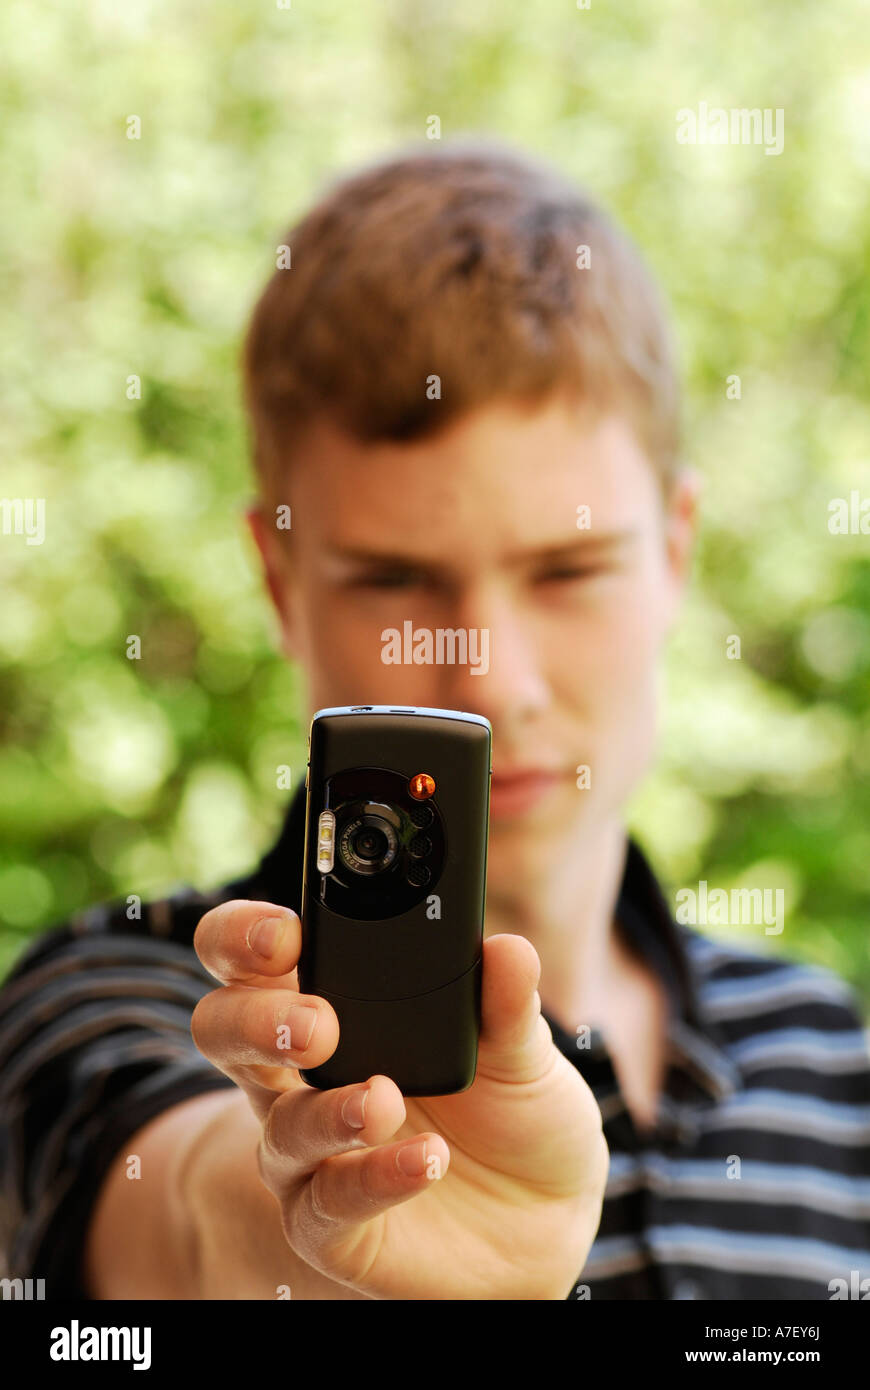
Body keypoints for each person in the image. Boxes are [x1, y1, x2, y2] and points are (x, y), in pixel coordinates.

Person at [1, 139, 868, 1301]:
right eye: (394, 580)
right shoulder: (117, 996)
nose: (490, 679)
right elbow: (195, 1223)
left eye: (567, 572)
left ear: (675, 550)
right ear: (279, 583)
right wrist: (324, 1231)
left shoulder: (835, 1057)